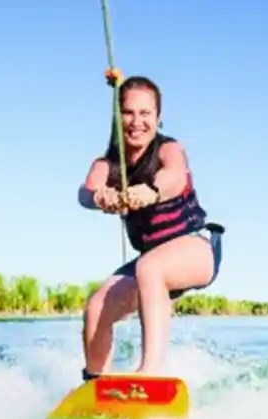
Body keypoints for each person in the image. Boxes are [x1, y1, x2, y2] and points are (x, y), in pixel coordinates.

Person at [76, 75, 225, 380]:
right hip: (150, 263)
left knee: (149, 267)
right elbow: (84, 193)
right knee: (96, 307)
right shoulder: (108, 165)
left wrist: (152, 192)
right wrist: (100, 197)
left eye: (146, 114)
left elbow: (176, 176)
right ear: (118, 117)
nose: (136, 121)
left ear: (158, 118)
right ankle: (94, 385)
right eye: (129, 112)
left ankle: (150, 372)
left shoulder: (168, 149)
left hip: (196, 247)